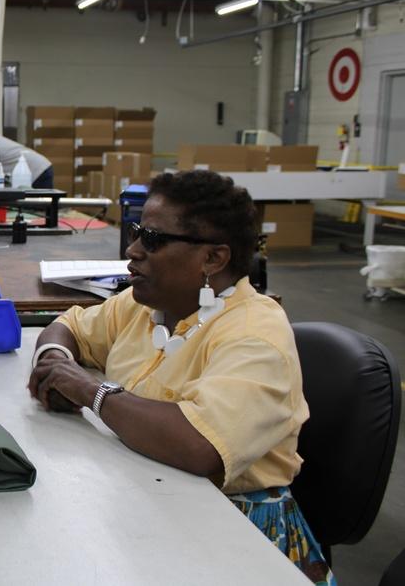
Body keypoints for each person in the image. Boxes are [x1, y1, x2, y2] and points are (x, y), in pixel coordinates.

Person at [27, 170, 333, 585]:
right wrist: (55, 363)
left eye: (152, 240)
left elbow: (201, 446)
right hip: (149, 498)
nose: (133, 250)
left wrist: (86, 388)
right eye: (136, 232)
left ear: (213, 258)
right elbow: (70, 326)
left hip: (235, 533)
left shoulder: (255, 336)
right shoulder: (149, 306)